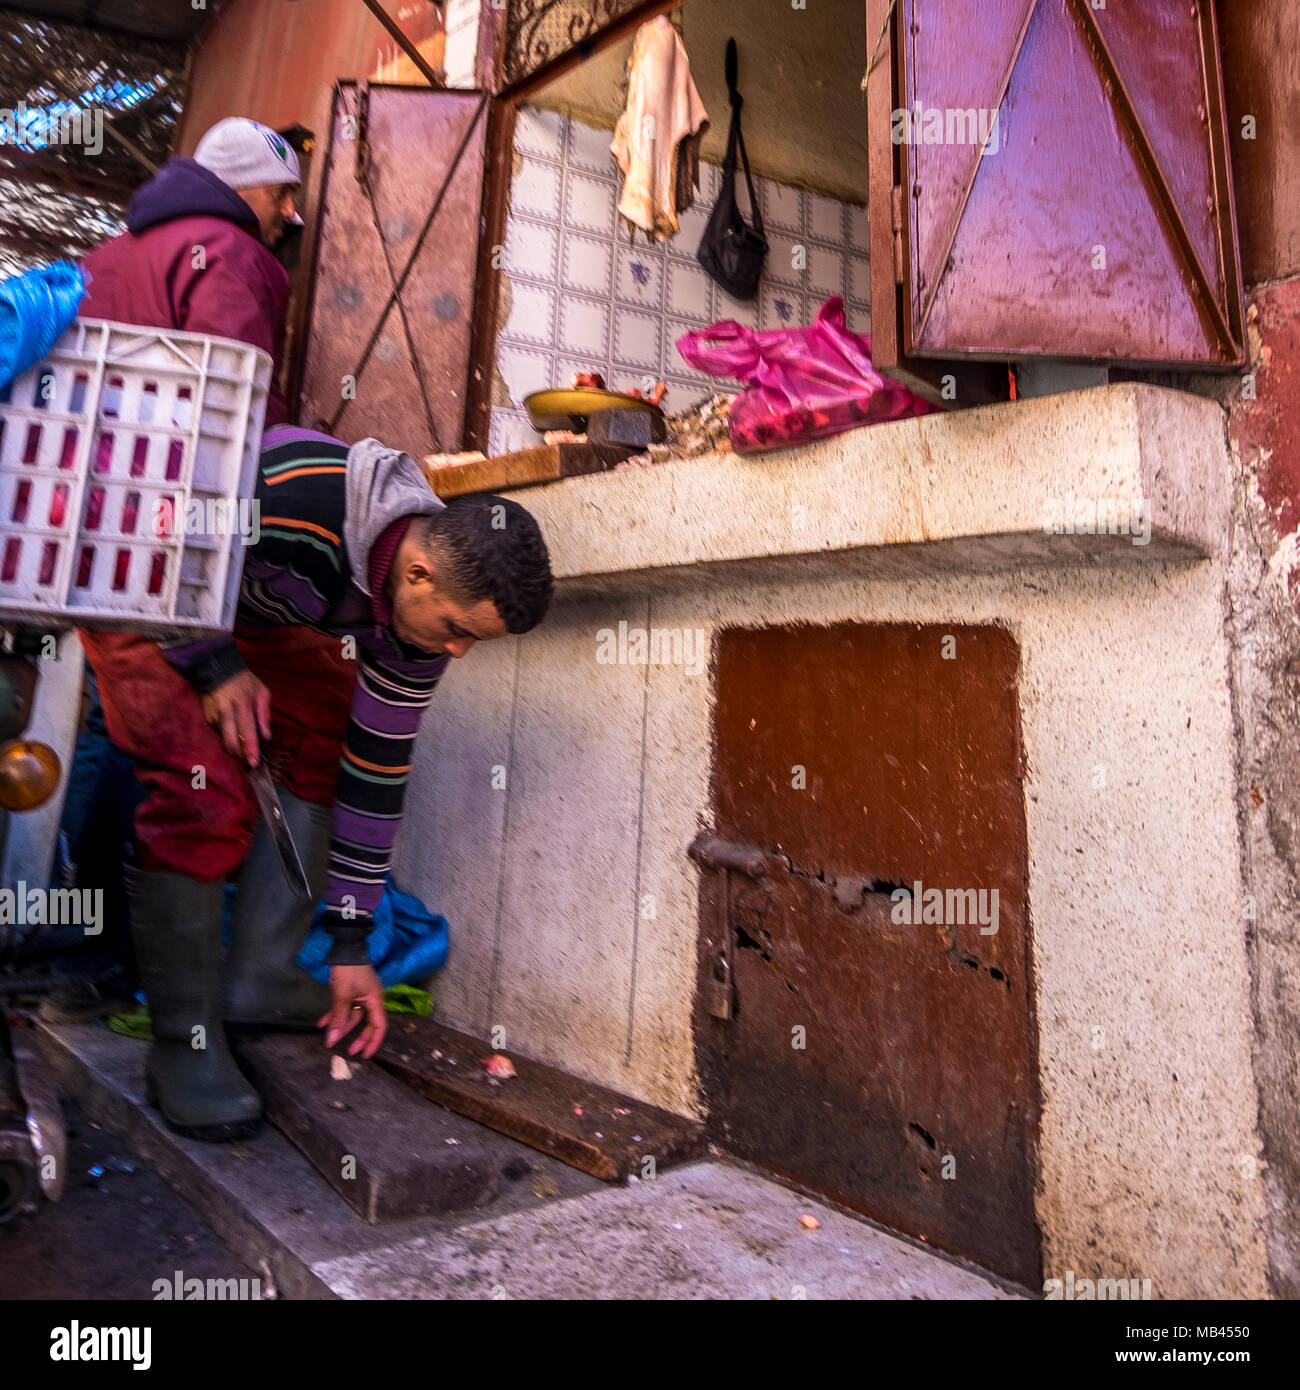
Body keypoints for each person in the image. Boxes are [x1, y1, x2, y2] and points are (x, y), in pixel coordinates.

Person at [77, 426, 554, 1141]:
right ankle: (186, 1043)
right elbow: (154, 536)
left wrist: (352, 943)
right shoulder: (298, 499)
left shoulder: (416, 625)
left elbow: (375, 773)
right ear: (418, 573)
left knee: (332, 730)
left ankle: (263, 978)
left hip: (247, 610)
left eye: (473, 641)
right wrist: (216, 666)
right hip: (147, 582)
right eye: (458, 630)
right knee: (205, 794)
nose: (457, 651)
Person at [80, 116, 301, 424]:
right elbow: (232, 396)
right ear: (239, 185)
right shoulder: (232, 252)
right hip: (174, 457)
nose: (290, 211)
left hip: (72, 449)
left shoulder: (99, 257)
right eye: (281, 193)